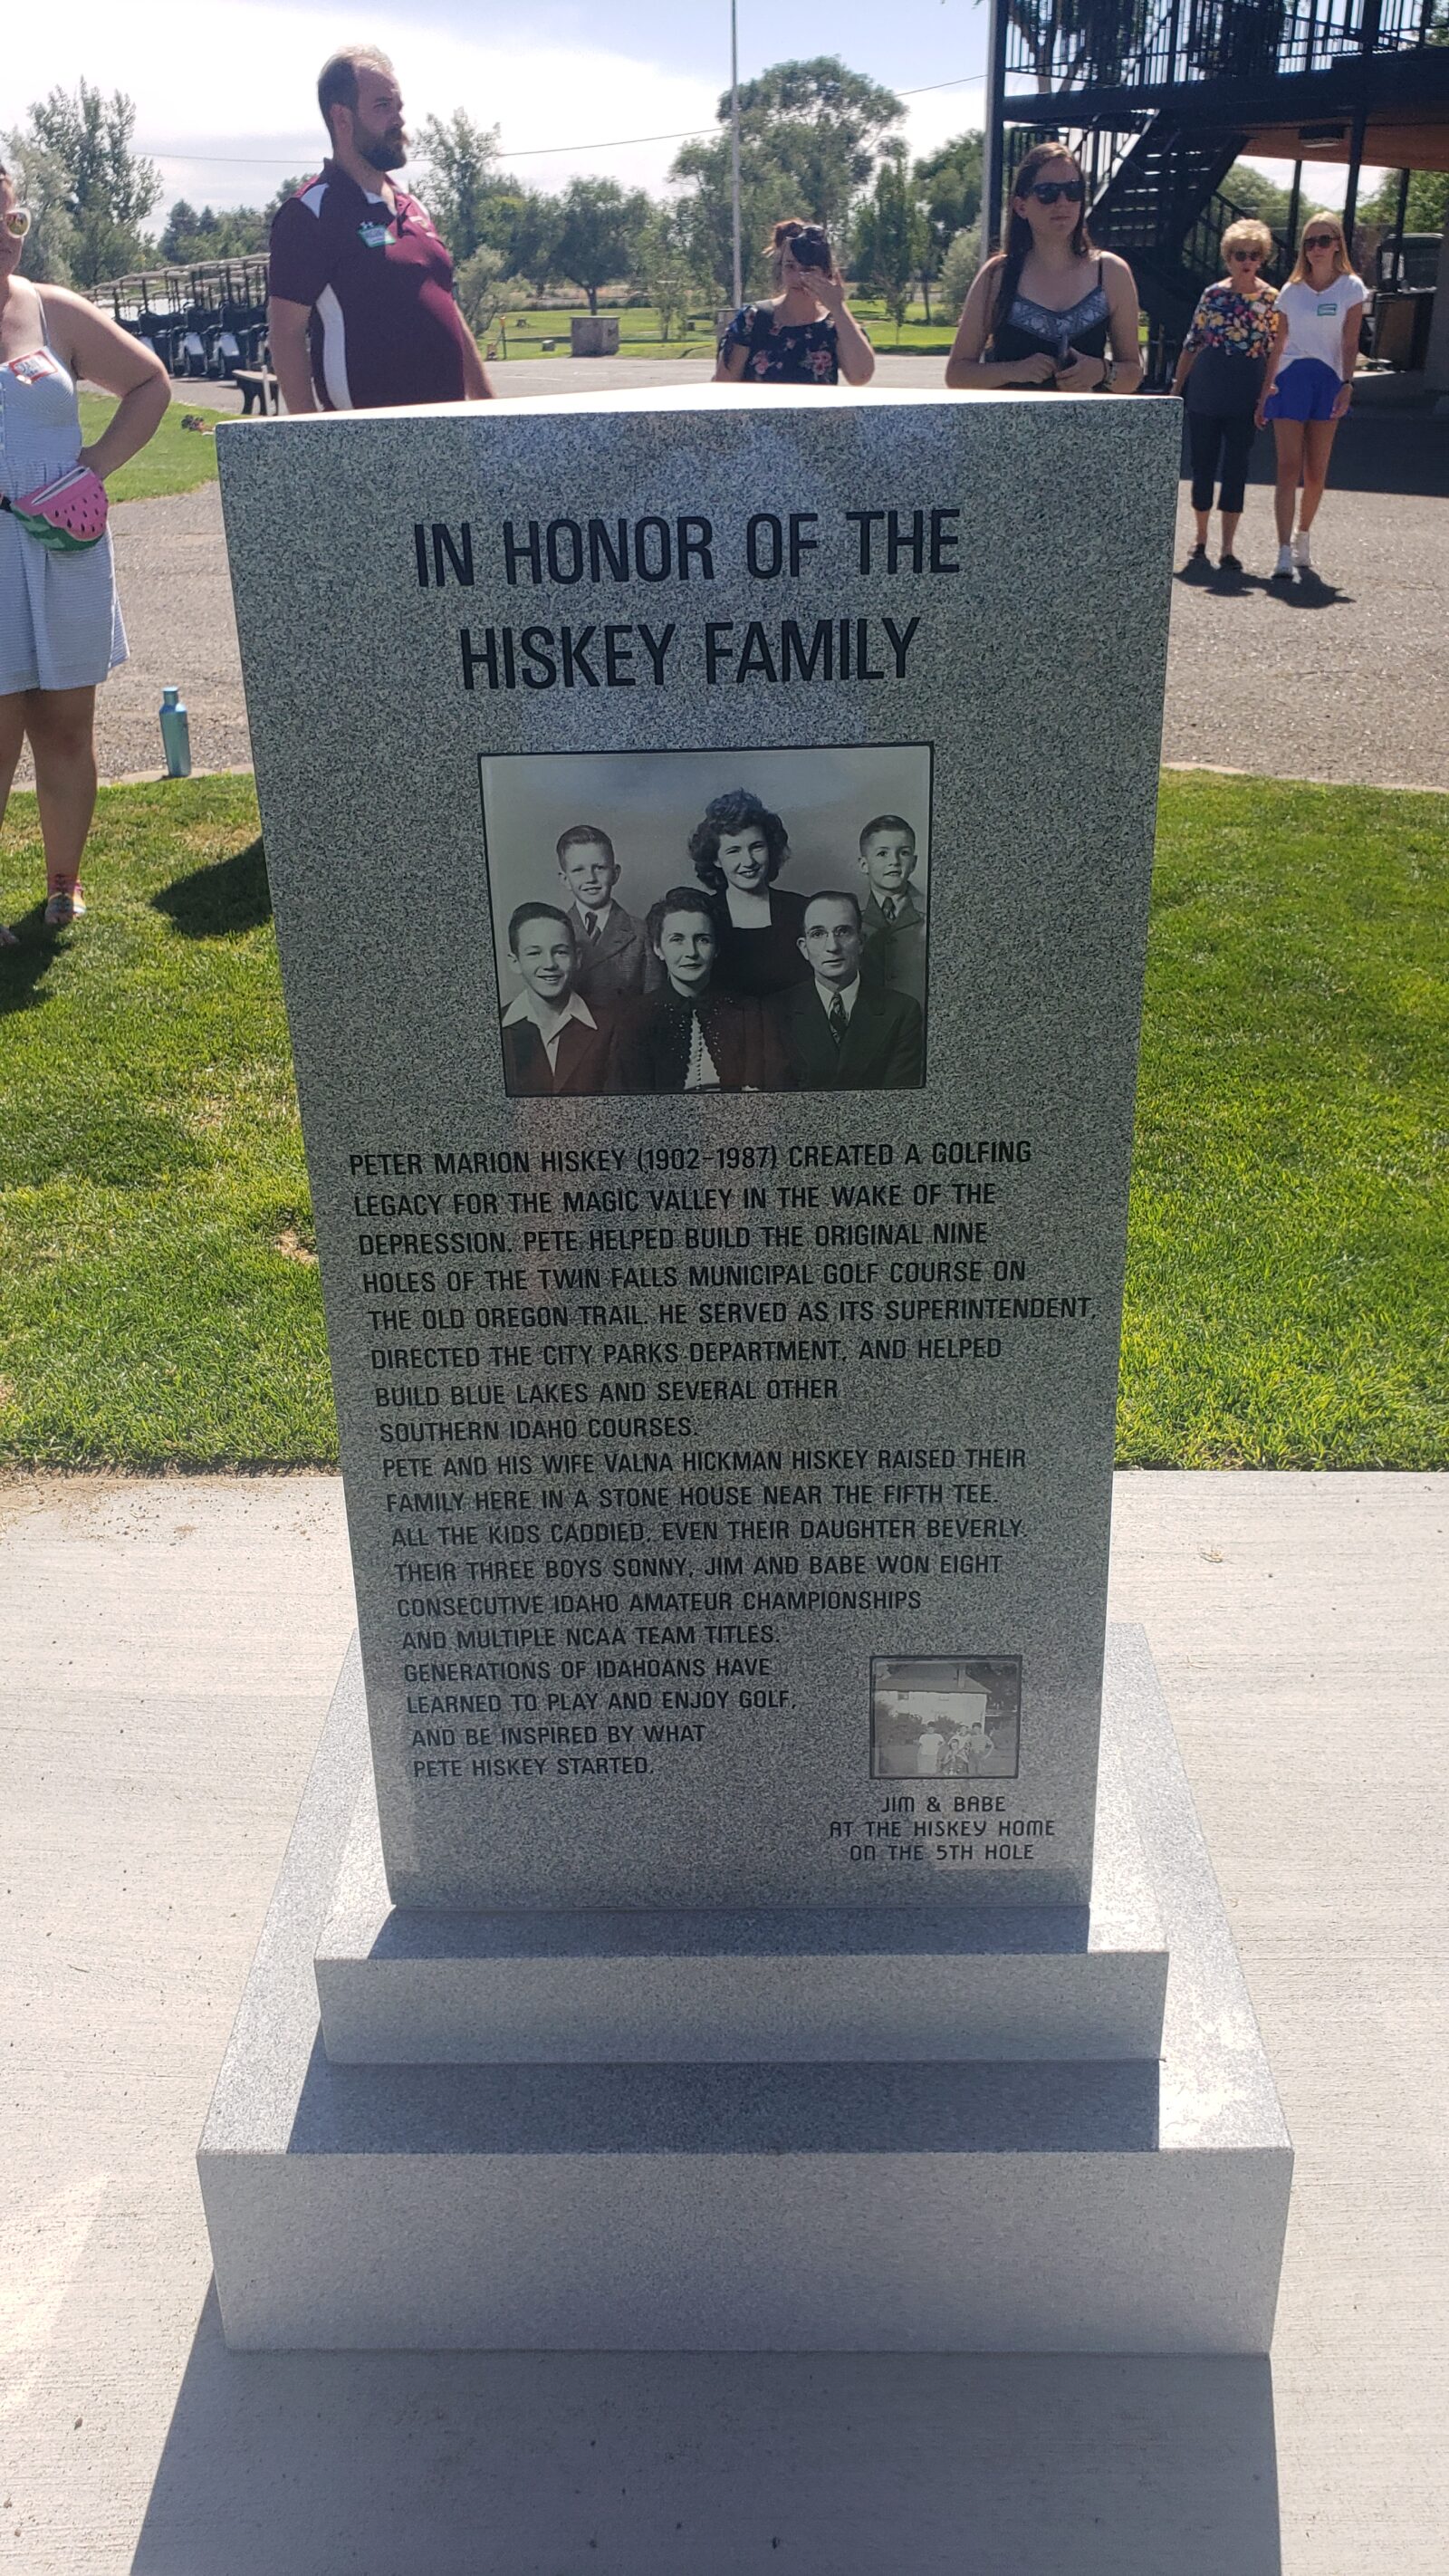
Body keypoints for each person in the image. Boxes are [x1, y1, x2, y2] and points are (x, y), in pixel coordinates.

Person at [1, 164, 168, 947]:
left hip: (63, 545)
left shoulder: (53, 310)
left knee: (67, 727)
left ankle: (63, 885)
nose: (8, 236)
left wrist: (92, 467)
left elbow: (150, 384)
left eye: (15, 219)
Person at [268, 47, 490, 415]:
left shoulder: (413, 207)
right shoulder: (309, 213)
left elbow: (447, 305)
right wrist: (307, 436)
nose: (398, 120)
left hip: (451, 432)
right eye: (382, 106)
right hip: (368, 443)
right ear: (342, 117)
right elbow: (286, 335)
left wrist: (487, 406)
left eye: (399, 107)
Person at [945, 143, 1141, 395]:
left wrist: (1103, 371)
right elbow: (957, 374)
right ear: (1021, 206)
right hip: (1008, 430)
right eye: (1047, 192)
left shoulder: (1112, 273)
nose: (1062, 202)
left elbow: (1133, 374)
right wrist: (1013, 371)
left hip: (1087, 430)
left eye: (1073, 191)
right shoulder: (997, 276)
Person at [1257, 211, 1366, 582]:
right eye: (1310, 242)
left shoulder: (1351, 288)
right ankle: (1283, 550)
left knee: (1316, 471)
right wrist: (1264, 392)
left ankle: (1304, 535)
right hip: (1290, 379)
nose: (1316, 249)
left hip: (1329, 380)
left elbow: (1350, 341)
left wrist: (1348, 384)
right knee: (1287, 467)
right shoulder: (1292, 291)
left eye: (1323, 240)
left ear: (1337, 244)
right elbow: (1278, 344)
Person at [1171, 219, 1278, 575]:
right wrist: (1176, 390)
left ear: (1261, 258)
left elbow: (1276, 352)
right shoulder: (1212, 296)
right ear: (1228, 258)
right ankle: (1200, 539)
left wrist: (1267, 395)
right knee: (1202, 466)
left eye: (1253, 255)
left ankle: (1228, 548)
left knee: (1237, 469)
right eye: (1239, 255)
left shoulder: (1271, 299)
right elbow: (1192, 343)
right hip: (1207, 386)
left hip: (1247, 388)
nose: (1246, 261)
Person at [629, 889, 789, 1093]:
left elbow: (775, 1091)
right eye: (677, 939)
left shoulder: (750, 1014)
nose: (691, 952)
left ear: (717, 948)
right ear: (657, 948)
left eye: (702, 939)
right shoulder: (635, 1018)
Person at [772, 890, 924, 1091]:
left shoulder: (902, 1011)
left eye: (843, 931)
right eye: (818, 934)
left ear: (860, 941)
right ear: (804, 948)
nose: (832, 946)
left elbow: (900, 1100)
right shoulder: (774, 1011)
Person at [715, 220, 875, 388]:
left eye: (808, 270)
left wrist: (838, 307)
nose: (798, 277)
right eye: (790, 267)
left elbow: (861, 376)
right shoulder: (753, 320)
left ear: (827, 273)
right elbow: (723, 388)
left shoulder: (835, 327)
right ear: (781, 268)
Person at [688, 787, 809, 1000]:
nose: (749, 861)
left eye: (757, 847)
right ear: (716, 859)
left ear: (771, 849)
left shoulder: (802, 911)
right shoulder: (702, 917)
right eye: (734, 850)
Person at [499, 902, 621, 1095]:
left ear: (577, 958)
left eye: (560, 952)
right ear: (515, 962)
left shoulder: (610, 1026)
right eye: (534, 953)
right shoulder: (497, 1027)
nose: (549, 964)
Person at [554, 823, 661, 1004]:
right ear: (565, 880)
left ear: (615, 874)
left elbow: (653, 1002)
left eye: (600, 868)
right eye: (578, 870)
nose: (591, 878)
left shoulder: (642, 933)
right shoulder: (555, 931)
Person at [856, 813, 926, 1010]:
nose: (894, 861)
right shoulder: (850, 914)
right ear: (863, 864)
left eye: (904, 852)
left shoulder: (933, 912)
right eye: (882, 854)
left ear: (913, 862)